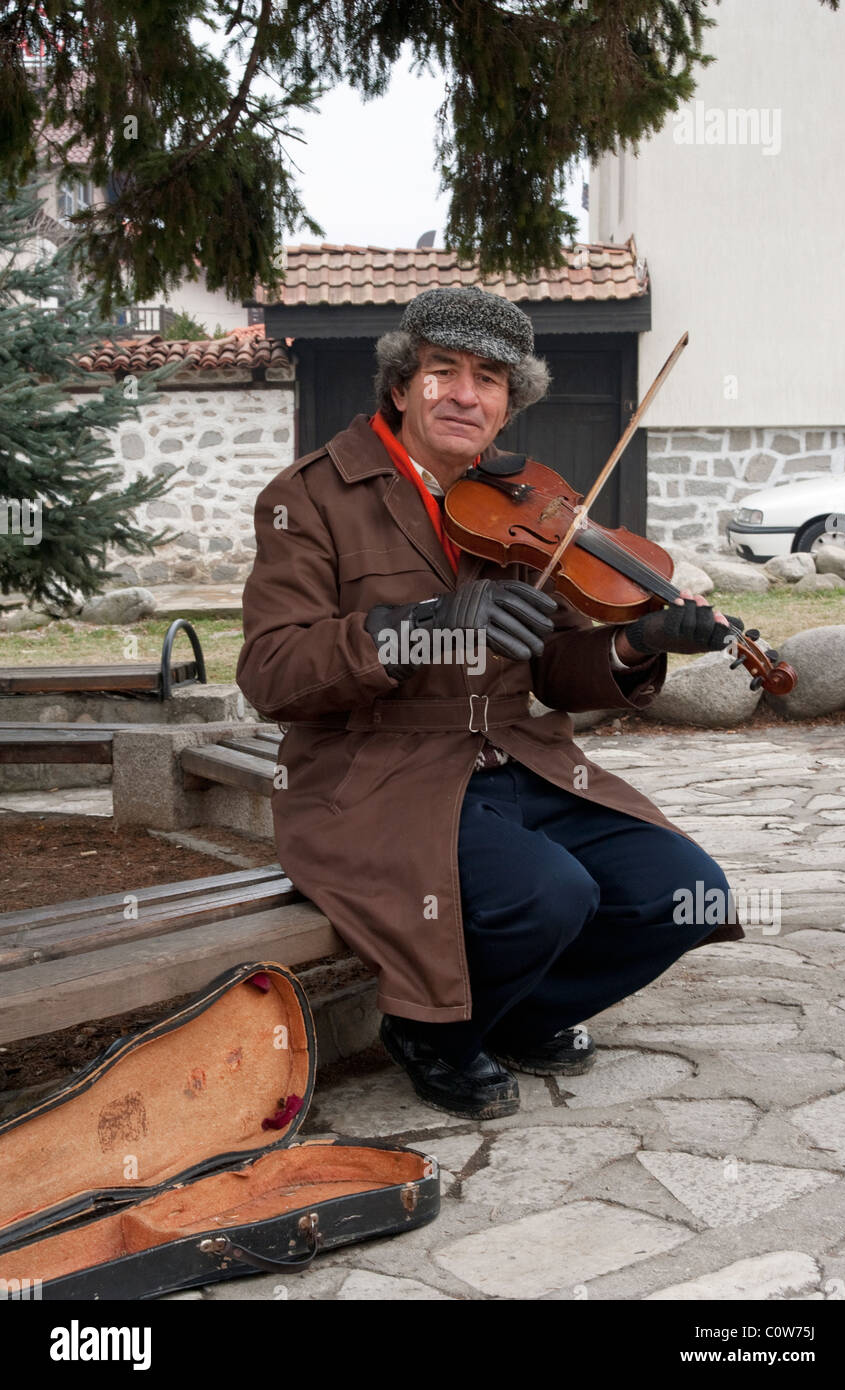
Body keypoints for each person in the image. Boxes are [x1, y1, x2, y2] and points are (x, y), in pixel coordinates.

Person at [236, 285, 745, 1122]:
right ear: (401, 386)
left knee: (682, 890)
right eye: (443, 371)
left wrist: (637, 643)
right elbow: (271, 673)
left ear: (510, 402)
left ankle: (520, 1015)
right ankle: (432, 1034)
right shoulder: (311, 497)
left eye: (491, 379)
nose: (466, 394)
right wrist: (420, 625)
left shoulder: (522, 504)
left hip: (515, 755)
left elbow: (554, 667)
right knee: (549, 893)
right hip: (374, 771)